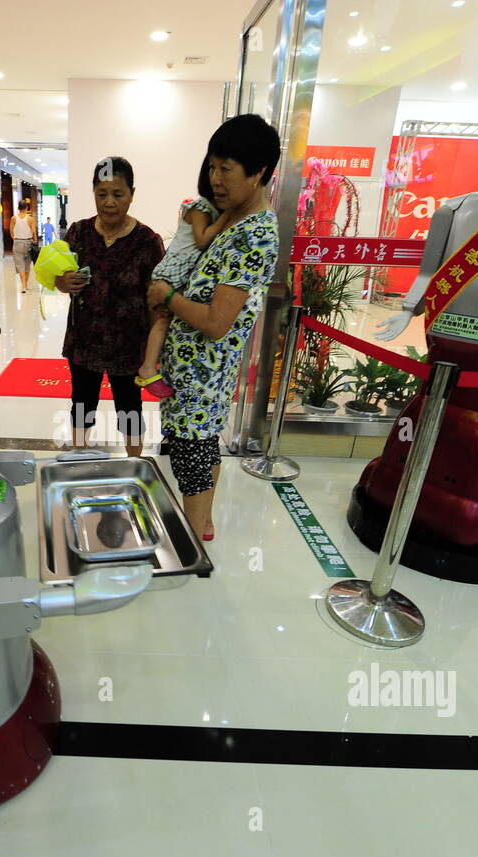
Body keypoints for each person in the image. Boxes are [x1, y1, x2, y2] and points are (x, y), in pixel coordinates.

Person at [148, 114, 280, 541]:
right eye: (212, 166)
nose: (215, 179)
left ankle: (190, 537)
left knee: (192, 454)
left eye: (227, 169)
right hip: (197, 374)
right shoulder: (234, 222)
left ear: (258, 172)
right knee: (203, 448)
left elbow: (216, 322)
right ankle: (203, 524)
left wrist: (166, 297)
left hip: (201, 374)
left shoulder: (253, 234)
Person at [55, 156, 164, 458]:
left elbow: (157, 301)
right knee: (81, 402)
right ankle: (78, 454)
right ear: (93, 192)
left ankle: (135, 462)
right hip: (84, 339)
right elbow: (57, 277)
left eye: (118, 194)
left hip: (128, 345)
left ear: (132, 193)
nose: (109, 202)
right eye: (102, 194)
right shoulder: (78, 233)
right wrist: (63, 282)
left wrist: (153, 354)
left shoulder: (147, 241)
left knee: (129, 407)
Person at [136, 159, 227, 398]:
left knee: (167, 322)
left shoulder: (213, 210)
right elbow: (202, 239)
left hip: (182, 272)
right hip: (174, 271)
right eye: (216, 170)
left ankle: (152, 366)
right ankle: (147, 367)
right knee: (164, 321)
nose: (219, 179)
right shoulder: (200, 208)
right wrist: (225, 221)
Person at [10, 197, 36, 293]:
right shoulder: (30, 219)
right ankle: (26, 285)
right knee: (27, 265)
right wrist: (35, 241)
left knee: (20, 265)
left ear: (18, 208)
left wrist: (16, 239)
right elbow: (33, 232)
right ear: (26, 208)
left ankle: (24, 286)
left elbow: (11, 232)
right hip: (28, 243)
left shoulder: (13, 218)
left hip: (17, 242)